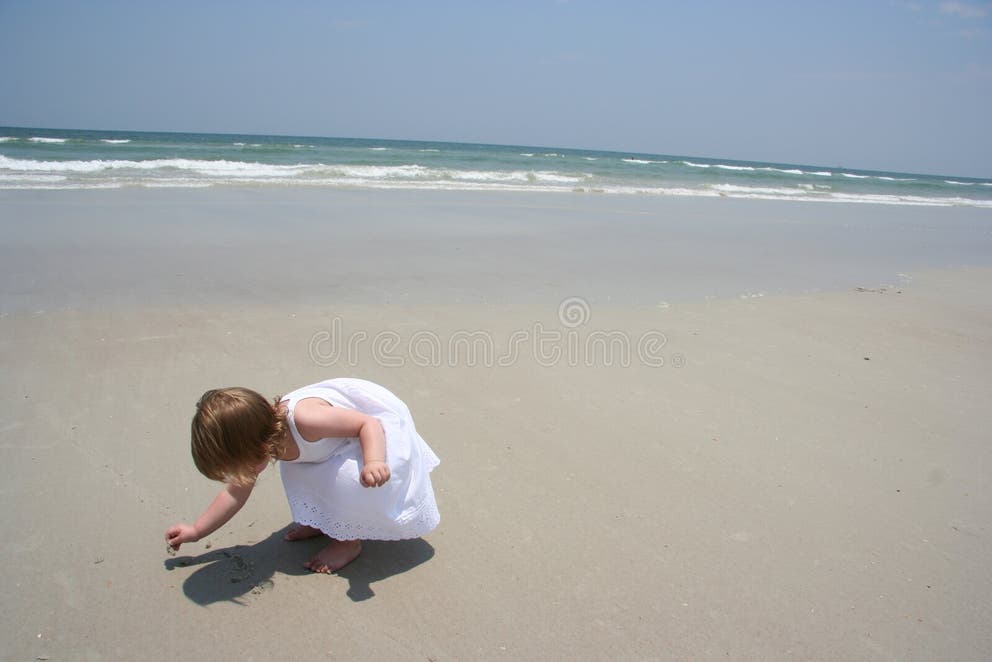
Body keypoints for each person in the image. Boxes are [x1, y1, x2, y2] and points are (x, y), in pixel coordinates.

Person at [165, 377, 440, 573]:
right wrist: (196, 531)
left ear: (259, 444)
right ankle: (323, 521)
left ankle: (348, 542)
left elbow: (368, 424)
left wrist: (373, 461)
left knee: (344, 482)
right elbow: (234, 493)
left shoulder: (306, 420)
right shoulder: (264, 442)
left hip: (374, 430)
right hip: (329, 445)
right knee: (299, 473)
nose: (246, 474)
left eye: (245, 465)